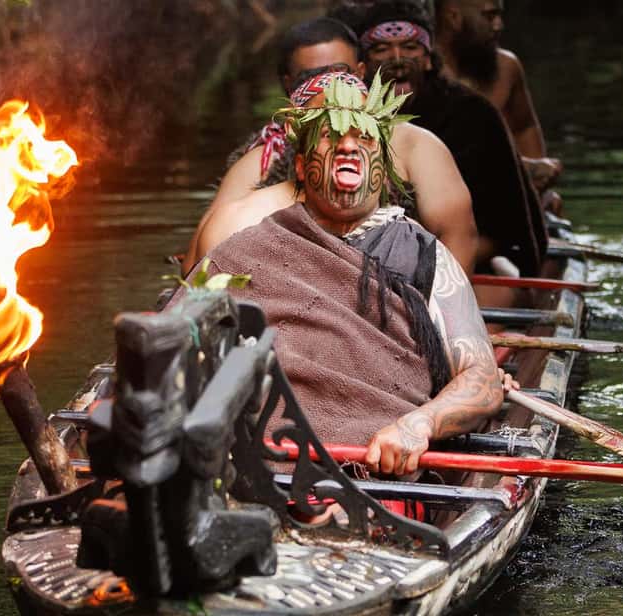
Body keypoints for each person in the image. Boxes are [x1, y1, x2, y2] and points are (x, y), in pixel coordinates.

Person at [183, 72, 503, 476]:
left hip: (370, 467)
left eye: (365, 138)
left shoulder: (424, 257)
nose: (348, 145)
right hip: (246, 456)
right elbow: (178, 340)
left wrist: (420, 423)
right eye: (330, 137)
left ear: (384, 171)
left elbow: (483, 379)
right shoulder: (245, 246)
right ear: (301, 167)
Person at [184, 16, 477, 275]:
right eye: (310, 78)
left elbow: (458, 238)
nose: (328, 87)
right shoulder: (264, 160)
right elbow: (198, 265)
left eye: (339, 72)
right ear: (289, 87)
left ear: (361, 73)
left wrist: (434, 311)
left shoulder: (415, 145)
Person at [353, 0, 547, 277]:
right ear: (362, 67)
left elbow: (505, 226)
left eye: (410, 47)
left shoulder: (472, 114)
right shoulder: (346, 120)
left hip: (464, 262)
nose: (397, 61)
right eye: (381, 49)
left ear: (429, 57)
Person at [434, 0, 563, 196]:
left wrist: (538, 192)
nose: (498, 25)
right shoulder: (424, 75)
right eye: (489, 16)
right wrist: (523, 168)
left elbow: (524, 127)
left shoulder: (507, 67)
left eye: (499, 15)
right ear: (454, 18)